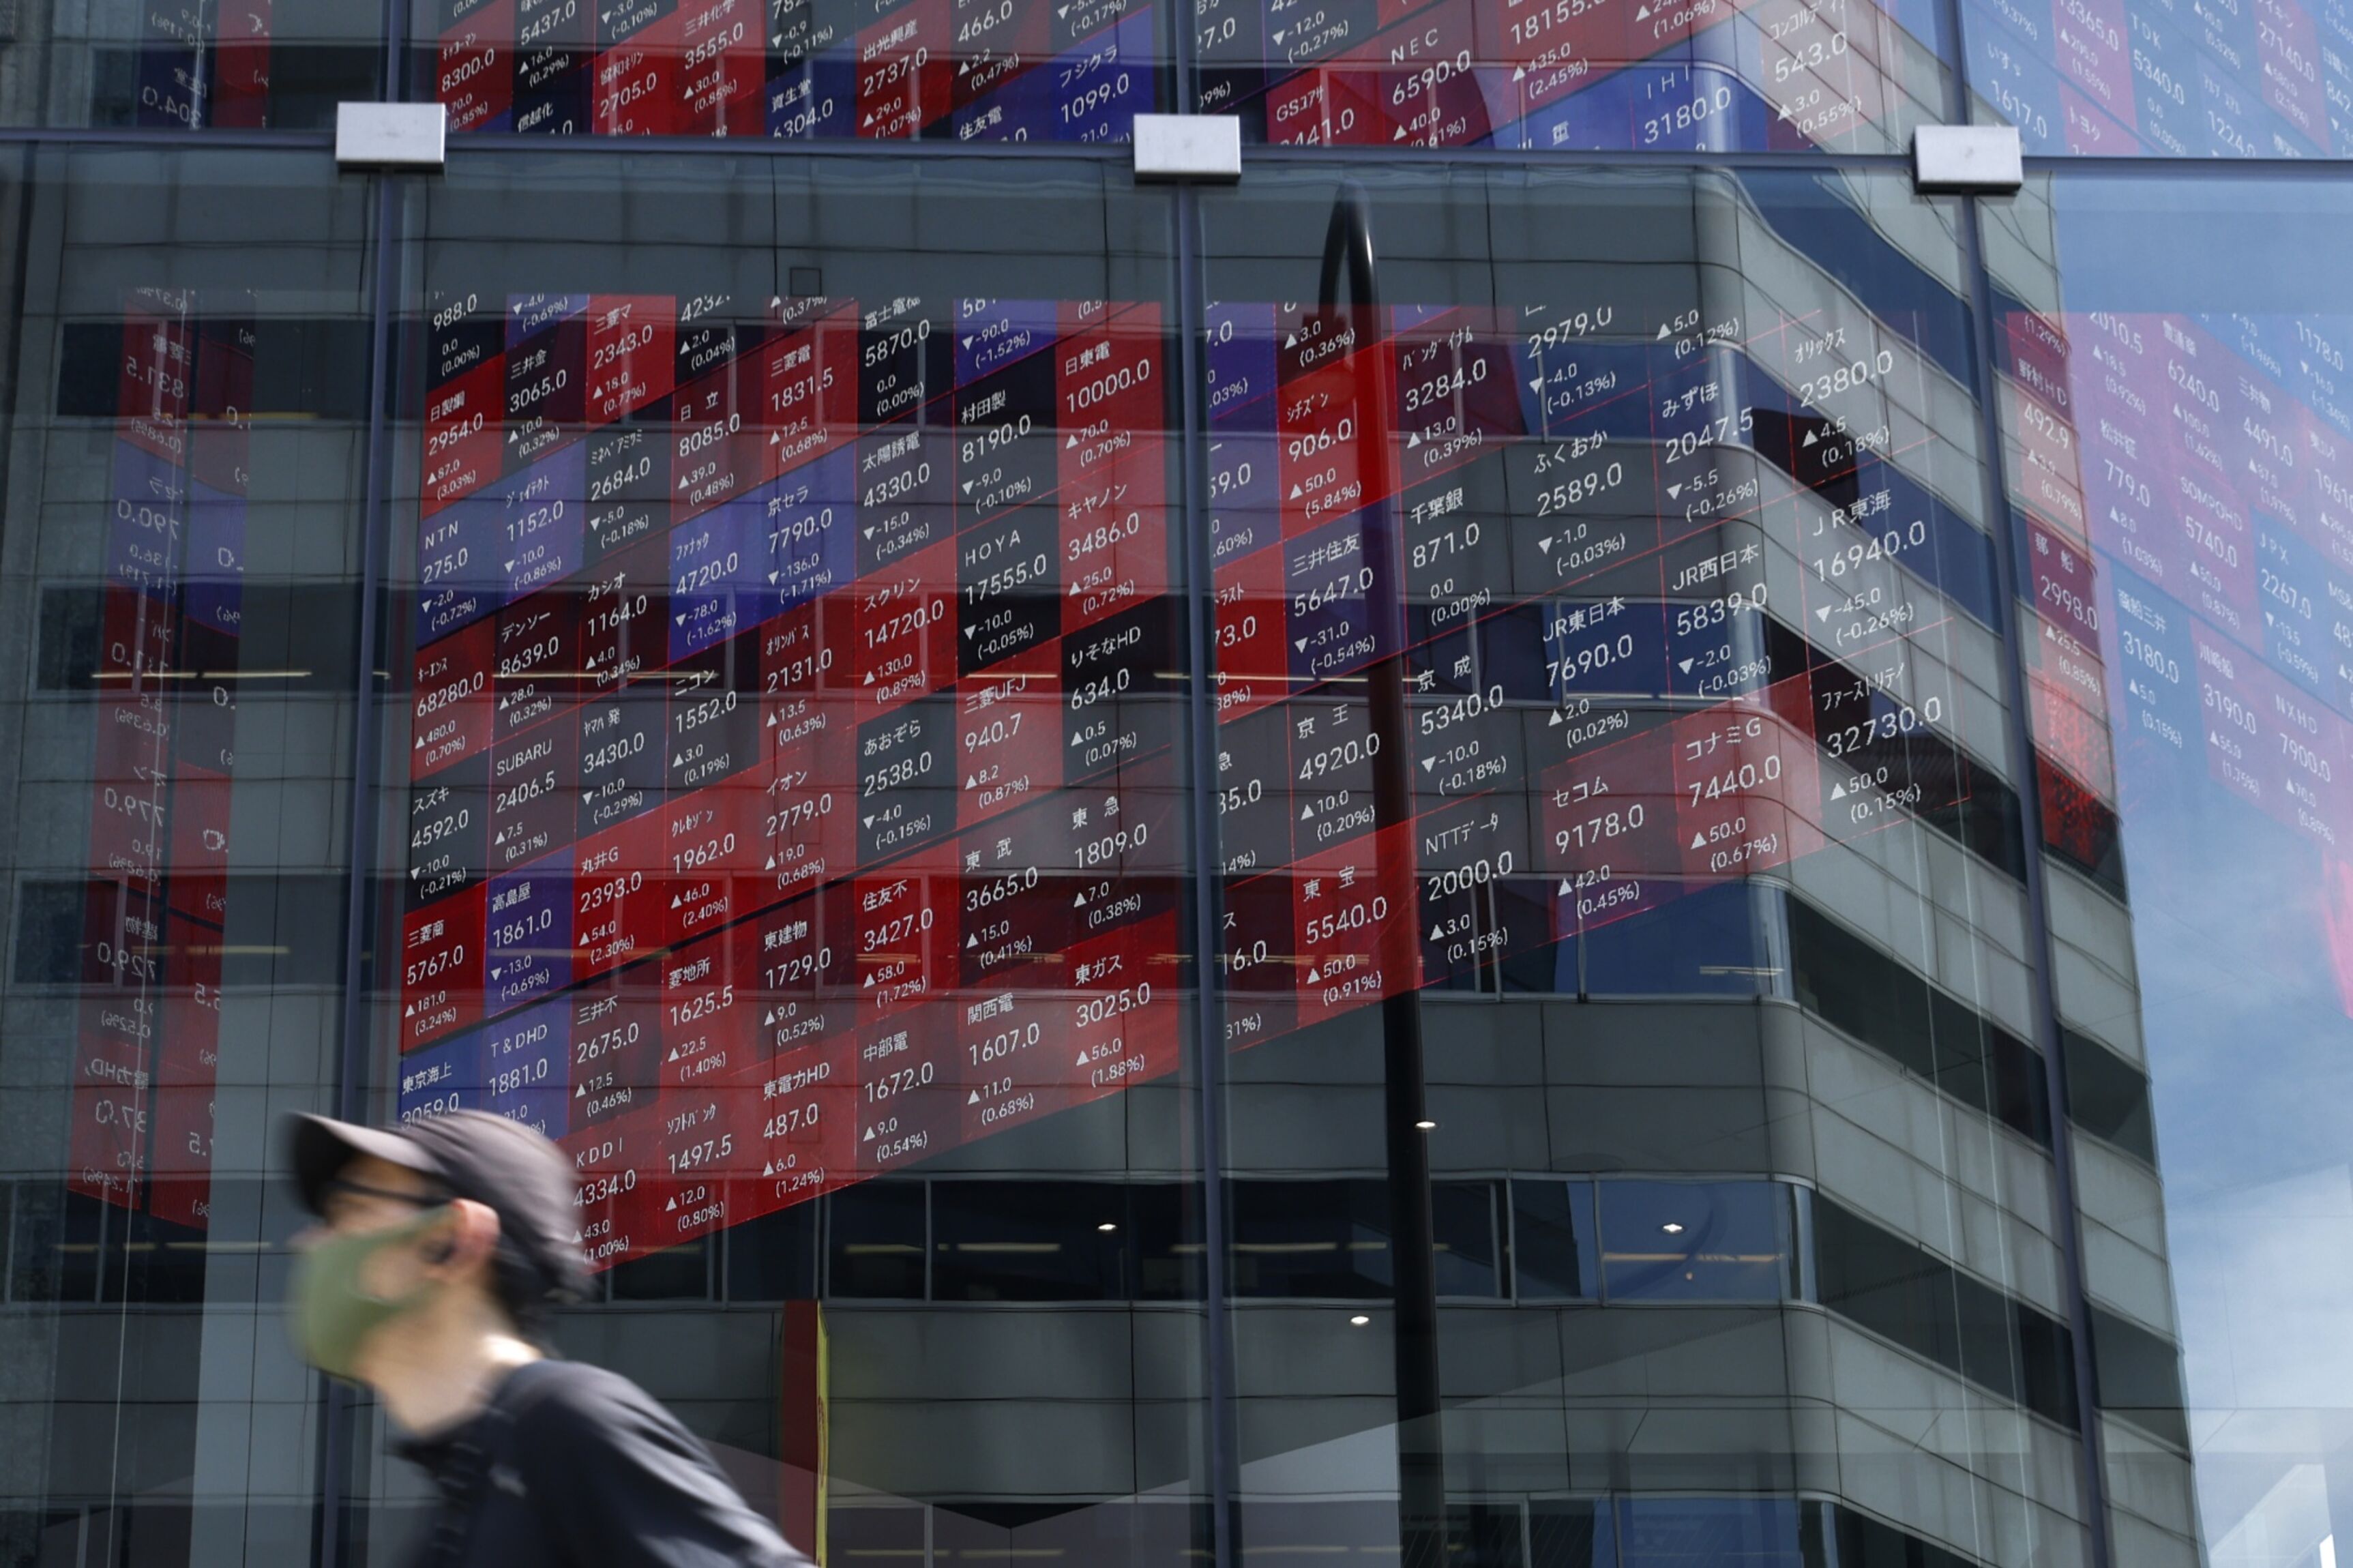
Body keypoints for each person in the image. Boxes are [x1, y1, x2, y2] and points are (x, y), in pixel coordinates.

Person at [283, 1108, 813, 1568]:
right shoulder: (465, 1486)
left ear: (452, 1241)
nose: (310, 1243)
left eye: (353, 1209)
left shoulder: (567, 1420)